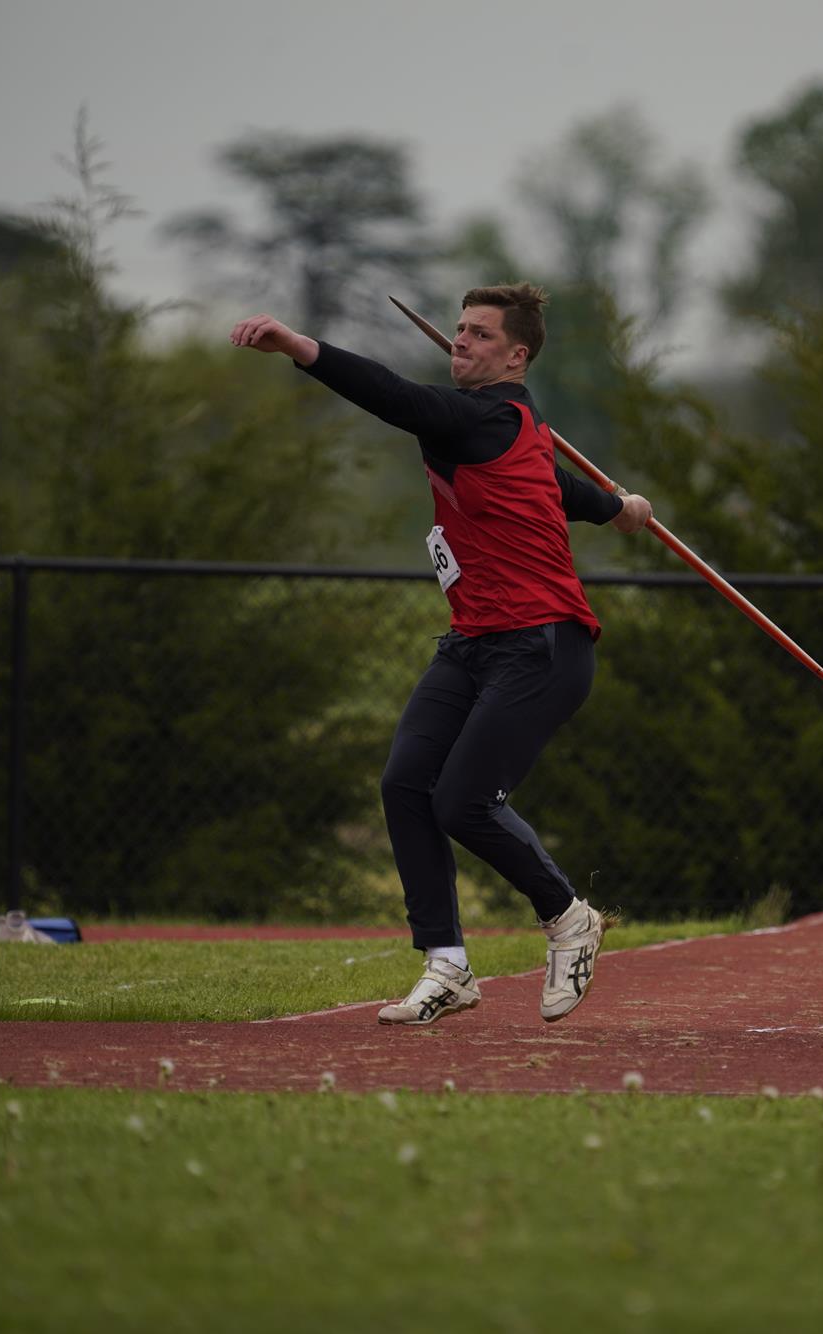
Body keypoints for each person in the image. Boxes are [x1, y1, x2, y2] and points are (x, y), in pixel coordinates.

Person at [232, 284, 653, 1026]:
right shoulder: (508, 431)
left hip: (543, 644)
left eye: (481, 334)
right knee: (405, 784)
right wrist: (615, 507)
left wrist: (303, 348)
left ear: (517, 354)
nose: (461, 341)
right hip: (475, 645)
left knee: (461, 800)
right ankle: (448, 966)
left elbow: (398, 398)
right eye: (459, 330)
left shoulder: (488, 415)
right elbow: (554, 488)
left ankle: (567, 917)